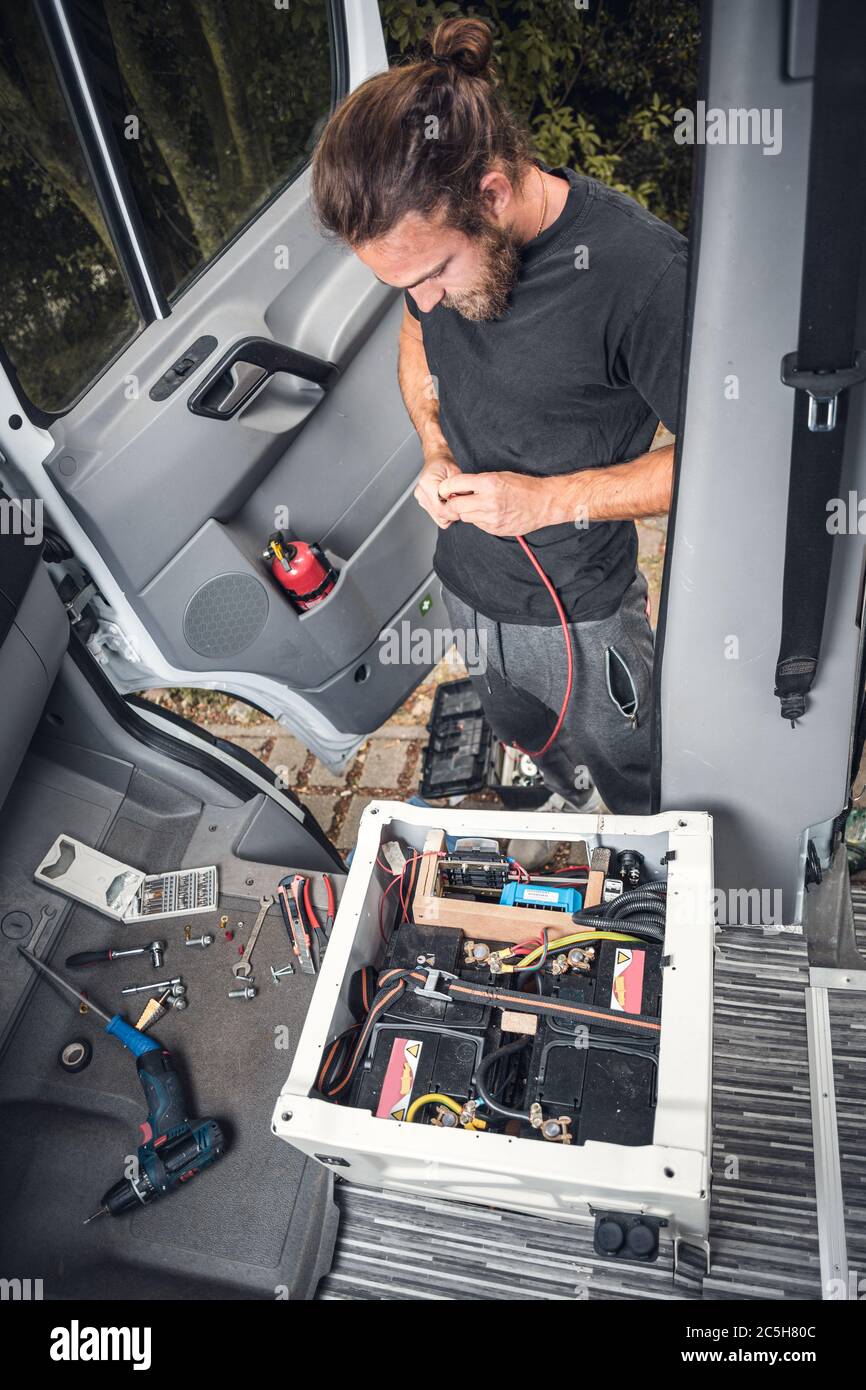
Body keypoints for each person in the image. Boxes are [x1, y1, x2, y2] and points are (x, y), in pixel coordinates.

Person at [311, 17, 687, 813]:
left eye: (435, 273)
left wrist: (551, 500)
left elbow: (722, 463)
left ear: (493, 192)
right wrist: (435, 445)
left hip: (582, 613)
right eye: (400, 286)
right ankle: (563, 798)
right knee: (526, 734)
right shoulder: (431, 271)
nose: (421, 302)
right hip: (468, 585)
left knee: (632, 770)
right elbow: (417, 343)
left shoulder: (643, 276)